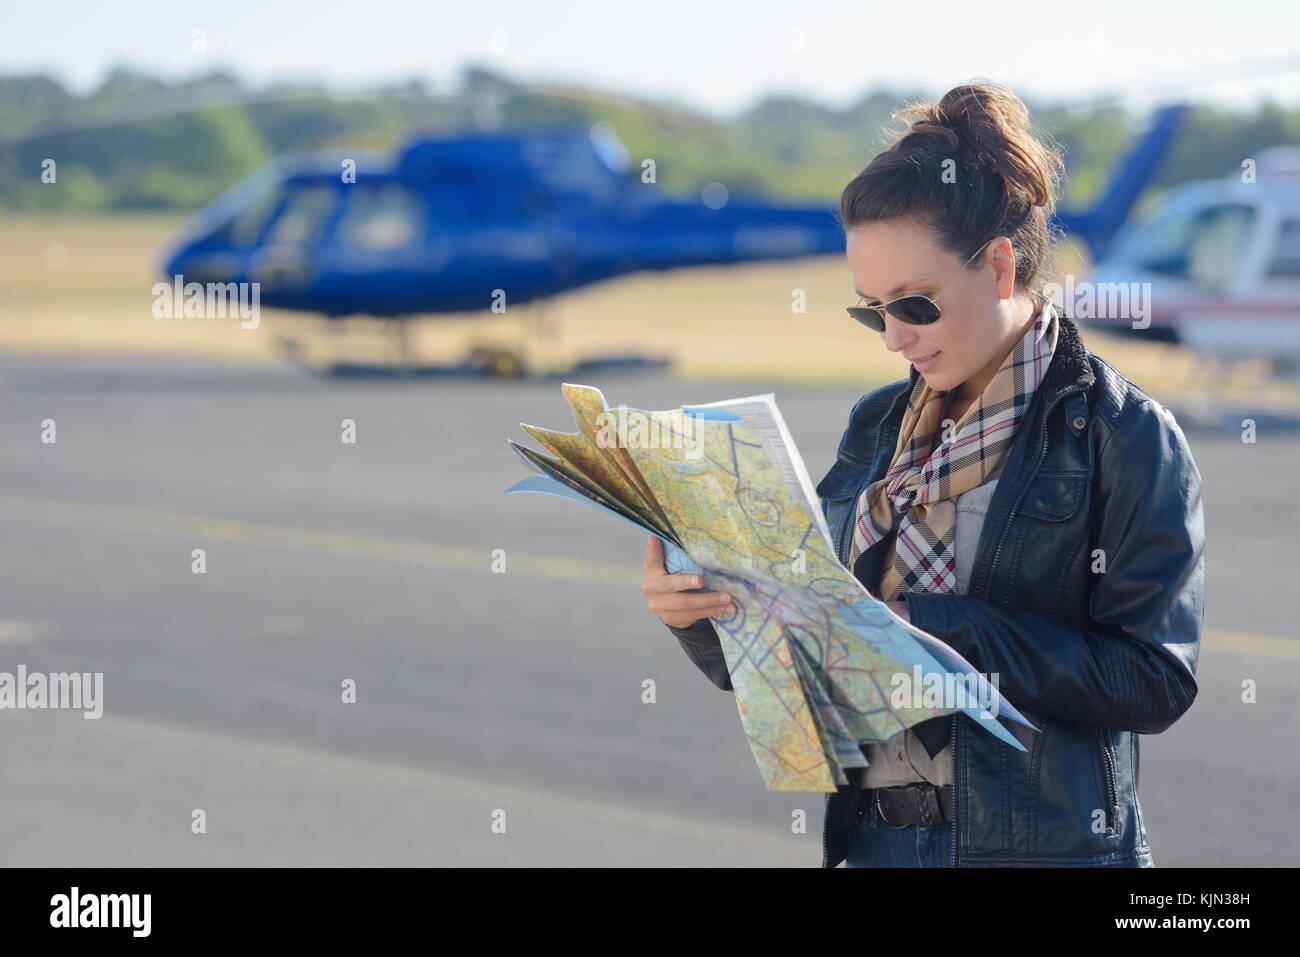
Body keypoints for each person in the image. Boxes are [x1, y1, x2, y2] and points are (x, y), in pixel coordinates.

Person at [642, 81, 1204, 868]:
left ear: (1002, 266)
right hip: (873, 841)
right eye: (872, 310)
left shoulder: (1124, 433)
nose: (892, 338)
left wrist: (938, 631)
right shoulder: (876, 425)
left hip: (1044, 853)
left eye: (914, 305)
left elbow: (1153, 678)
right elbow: (817, 657)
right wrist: (702, 616)